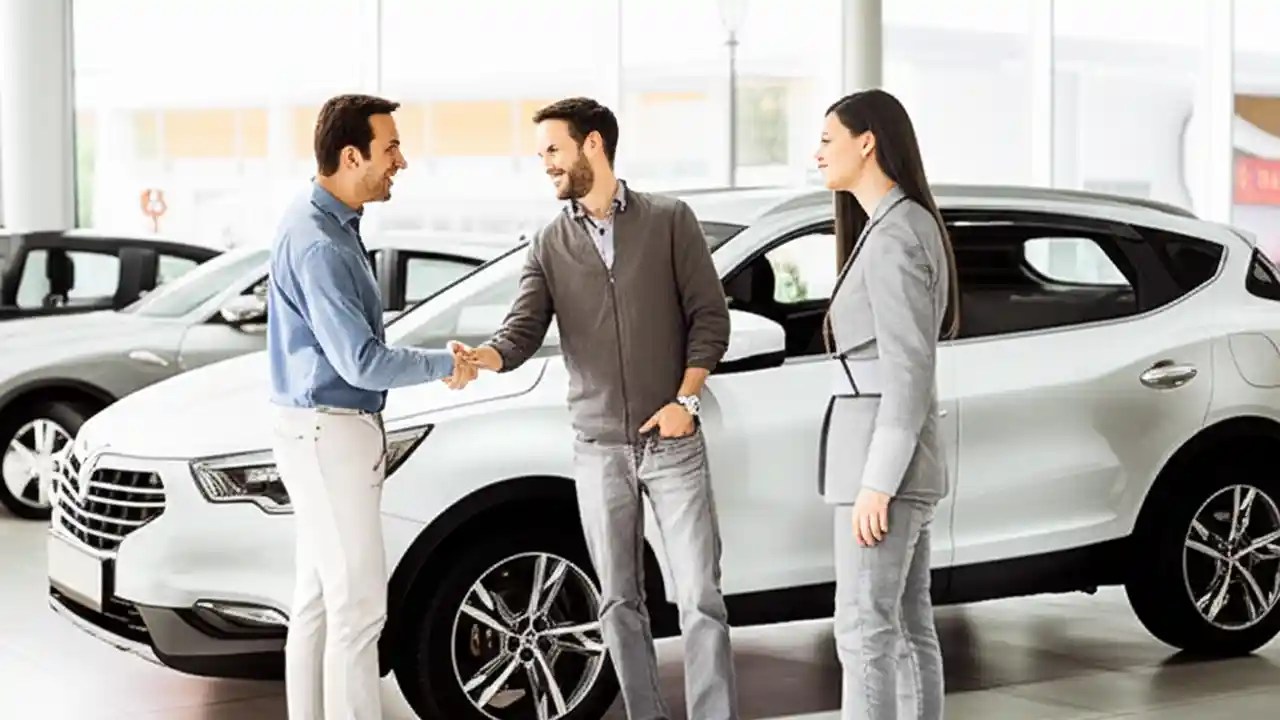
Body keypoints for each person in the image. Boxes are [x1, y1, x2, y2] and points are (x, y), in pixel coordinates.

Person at [453, 97, 739, 720]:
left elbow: (709, 319)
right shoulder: (550, 241)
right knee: (617, 601)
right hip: (599, 447)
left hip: (672, 443)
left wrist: (684, 401)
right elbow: (520, 334)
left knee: (699, 596)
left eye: (552, 150)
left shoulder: (669, 220)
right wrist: (484, 358)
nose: (545, 165)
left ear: (592, 146)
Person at [265, 93, 475, 720]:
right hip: (331, 433)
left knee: (320, 601)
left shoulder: (317, 220)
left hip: (312, 429)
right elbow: (360, 361)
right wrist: (448, 364)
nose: (401, 162)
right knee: (359, 608)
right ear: (351, 155)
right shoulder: (322, 244)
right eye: (391, 148)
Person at [813, 88, 959, 720]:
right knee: (903, 628)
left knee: (864, 631)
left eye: (826, 139)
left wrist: (878, 482)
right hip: (898, 463)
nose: (816, 153)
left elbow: (907, 368)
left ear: (865, 141)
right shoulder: (900, 225)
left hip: (885, 467)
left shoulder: (896, 234)